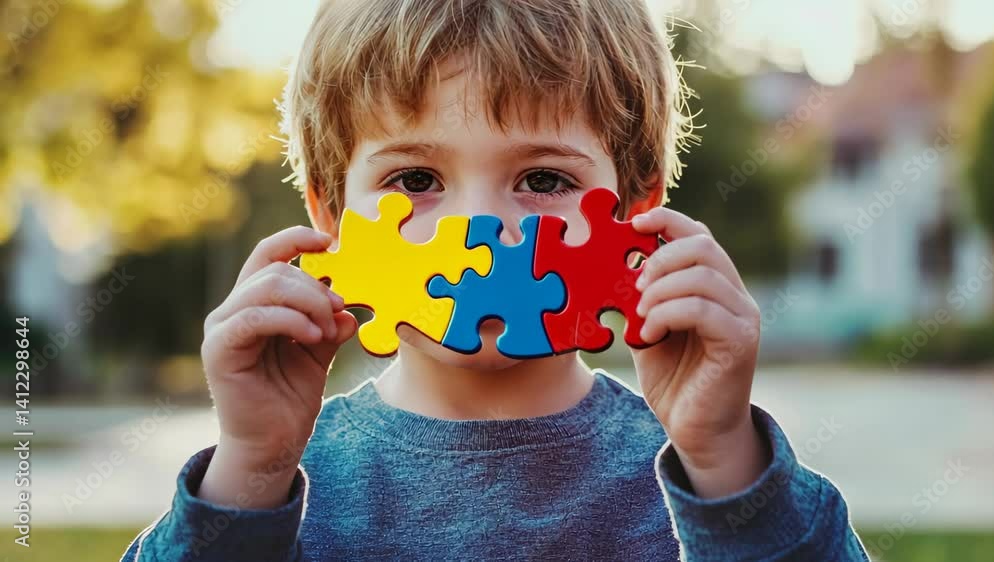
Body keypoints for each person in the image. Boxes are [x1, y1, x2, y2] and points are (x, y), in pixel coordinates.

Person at [122, 1, 869, 560]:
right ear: (332, 217)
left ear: (633, 212)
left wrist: (726, 463)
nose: (480, 229)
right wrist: (247, 471)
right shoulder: (272, 469)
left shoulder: (709, 462)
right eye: (415, 177)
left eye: (543, 178)